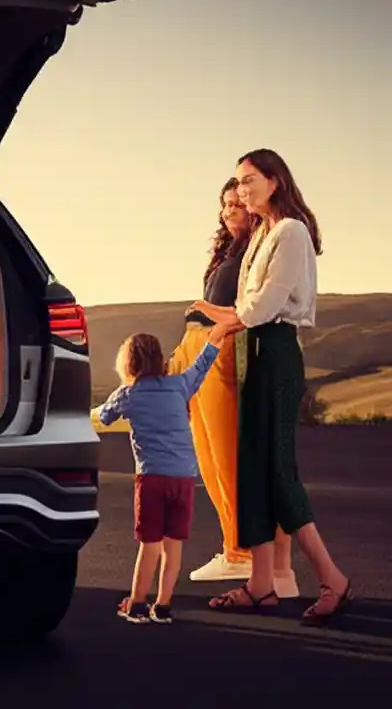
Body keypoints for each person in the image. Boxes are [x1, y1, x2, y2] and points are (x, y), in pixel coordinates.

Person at [191, 148, 354, 623]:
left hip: (277, 350)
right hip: (253, 351)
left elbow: (263, 308)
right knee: (253, 472)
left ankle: (334, 580)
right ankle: (261, 585)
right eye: (238, 184)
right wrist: (209, 314)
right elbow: (245, 305)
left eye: (249, 181)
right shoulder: (262, 233)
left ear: (275, 181)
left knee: (279, 472)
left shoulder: (290, 232)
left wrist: (219, 324)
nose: (241, 191)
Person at [98, 322, 237, 624]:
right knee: (172, 547)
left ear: (129, 363)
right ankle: (162, 606)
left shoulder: (127, 394)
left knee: (149, 545)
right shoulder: (179, 384)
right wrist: (217, 334)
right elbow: (202, 363)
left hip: (151, 479)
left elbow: (105, 417)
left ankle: (135, 604)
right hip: (184, 480)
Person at [171, 178, 258, 584]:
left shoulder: (259, 247)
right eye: (224, 205)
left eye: (236, 205)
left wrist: (214, 327)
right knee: (205, 457)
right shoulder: (228, 249)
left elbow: (251, 307)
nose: (228, 212)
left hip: (220, 344)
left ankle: (241, 550)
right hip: (197, 342)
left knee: (226, 454)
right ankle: (232, 547)